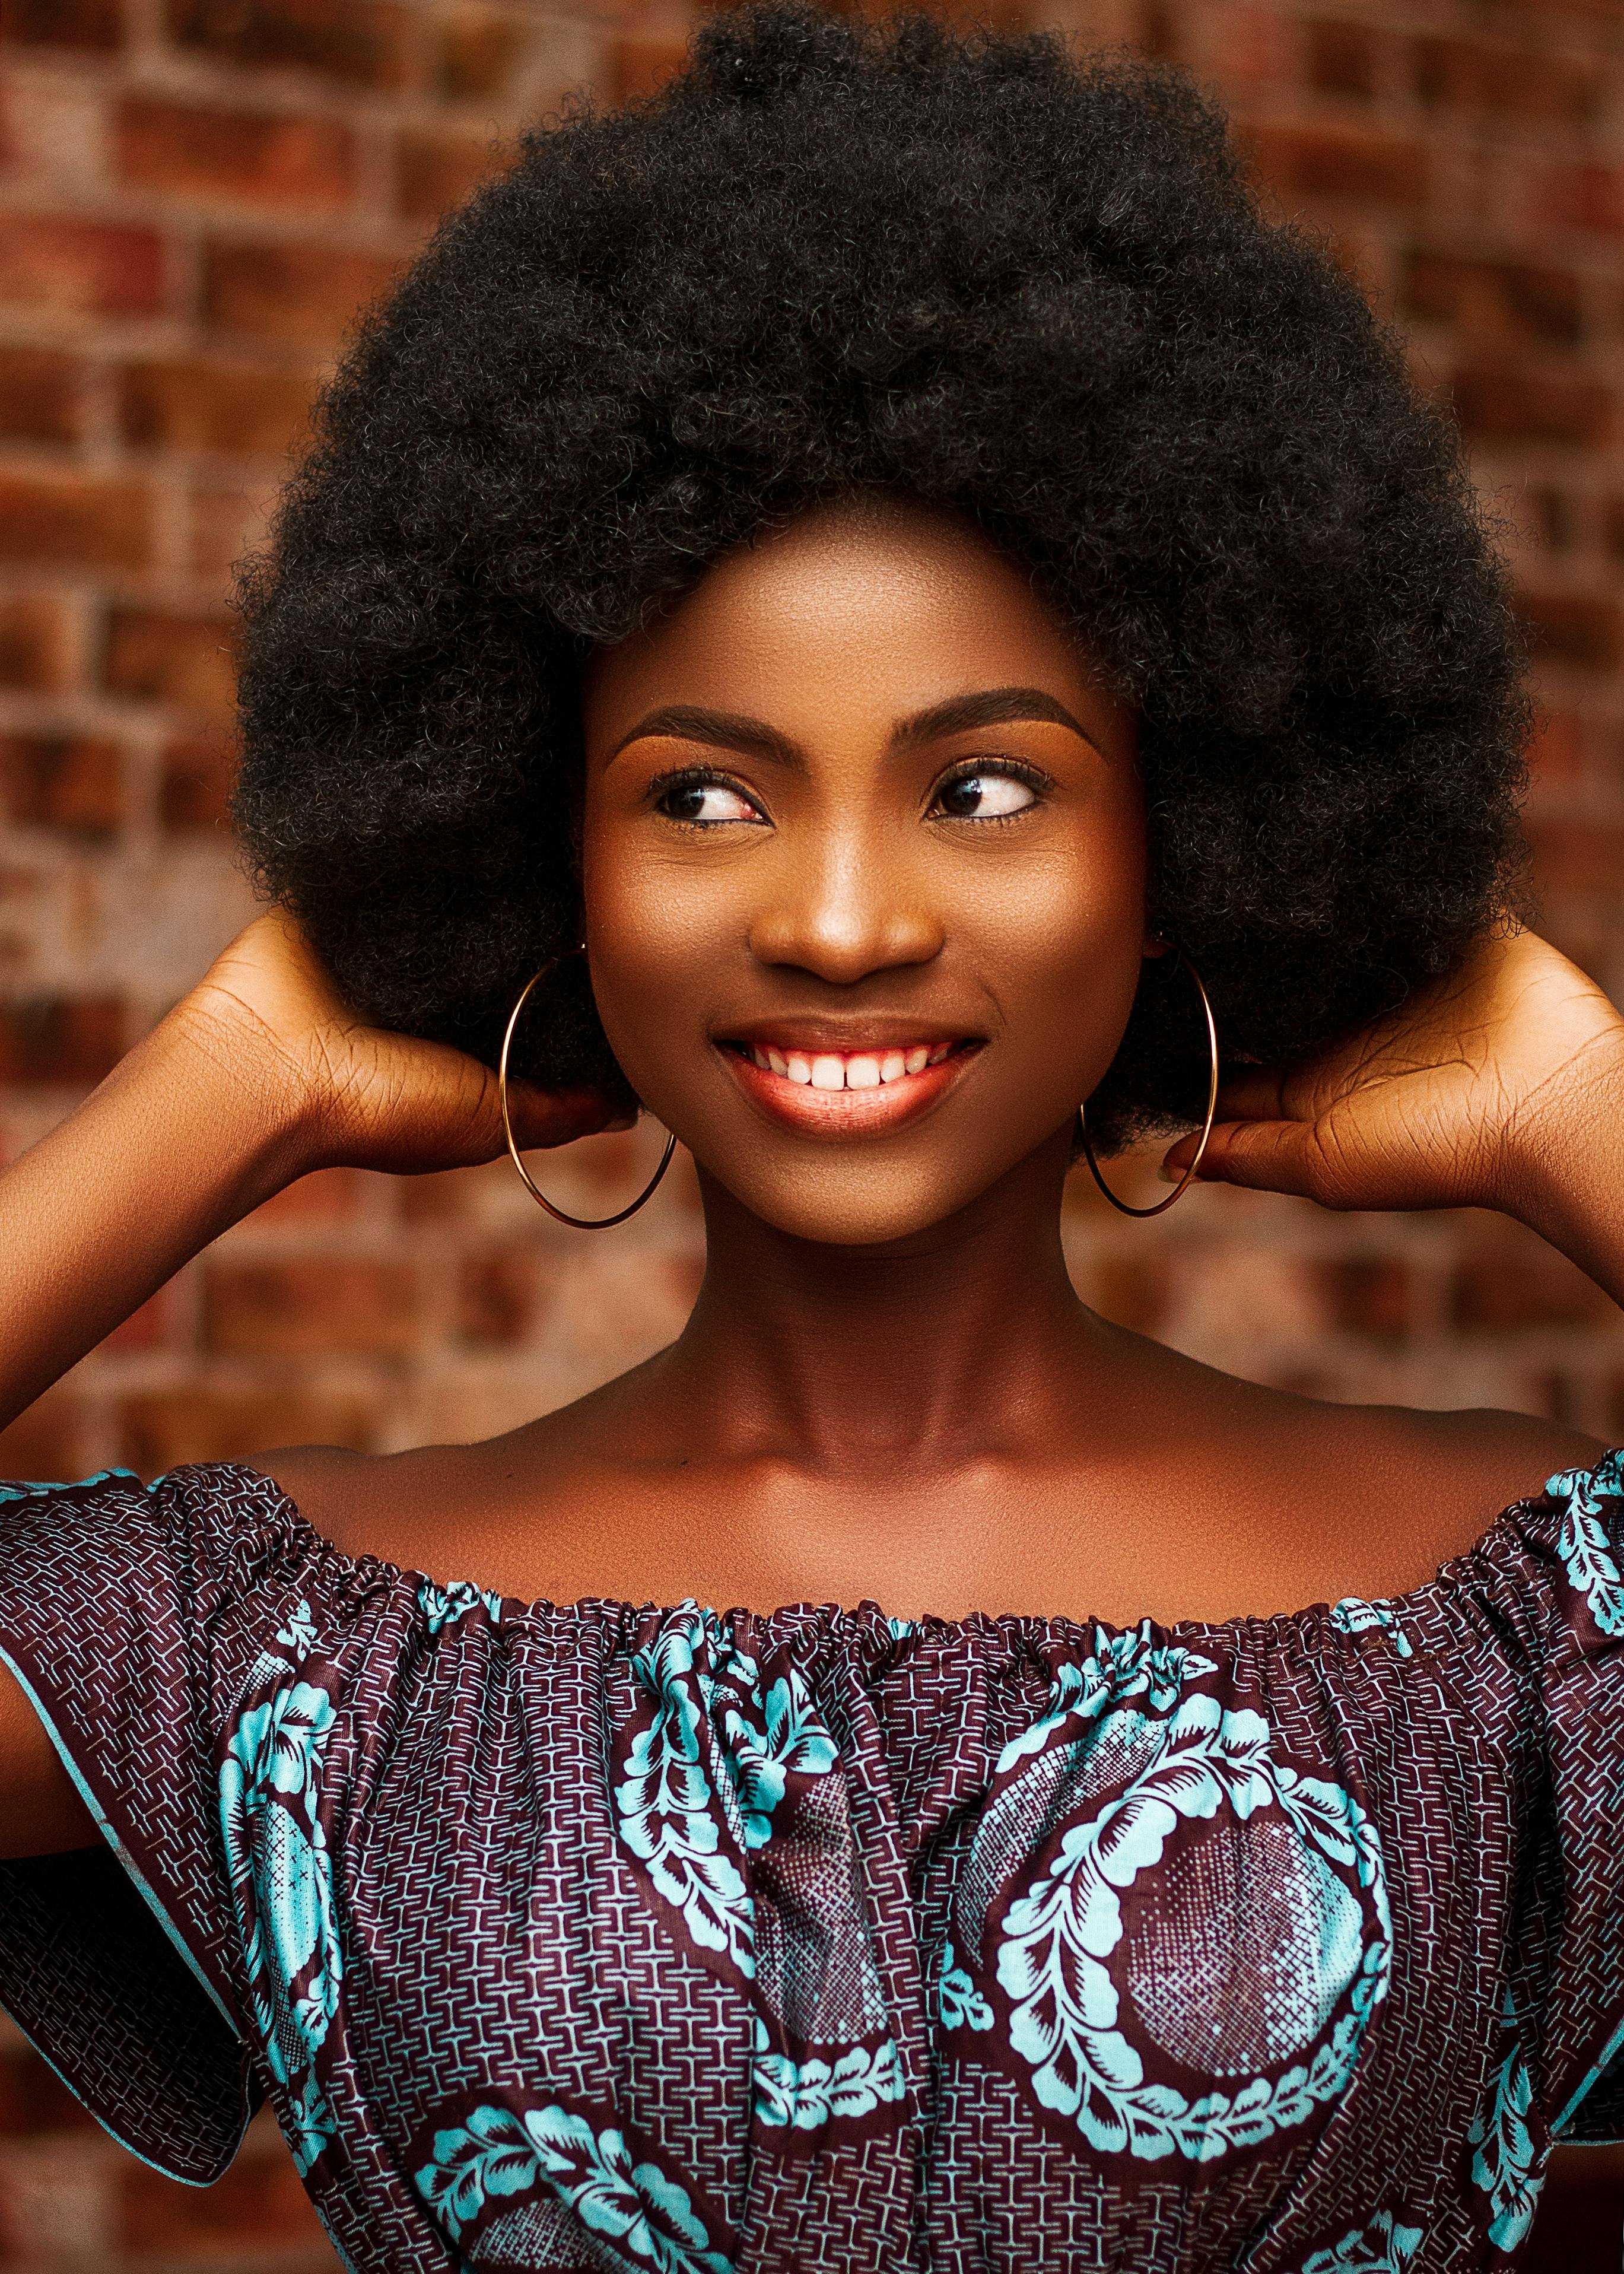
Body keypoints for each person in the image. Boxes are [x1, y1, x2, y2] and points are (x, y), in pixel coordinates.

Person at [1, 7, 1622, 2267]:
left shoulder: (1515, 1634)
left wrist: (1576, 1111)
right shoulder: (289, 1652)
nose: (840, 920)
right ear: (537, 853)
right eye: (700, 794)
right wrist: (228, 1088)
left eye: (982, 787)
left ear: (1180, 845)